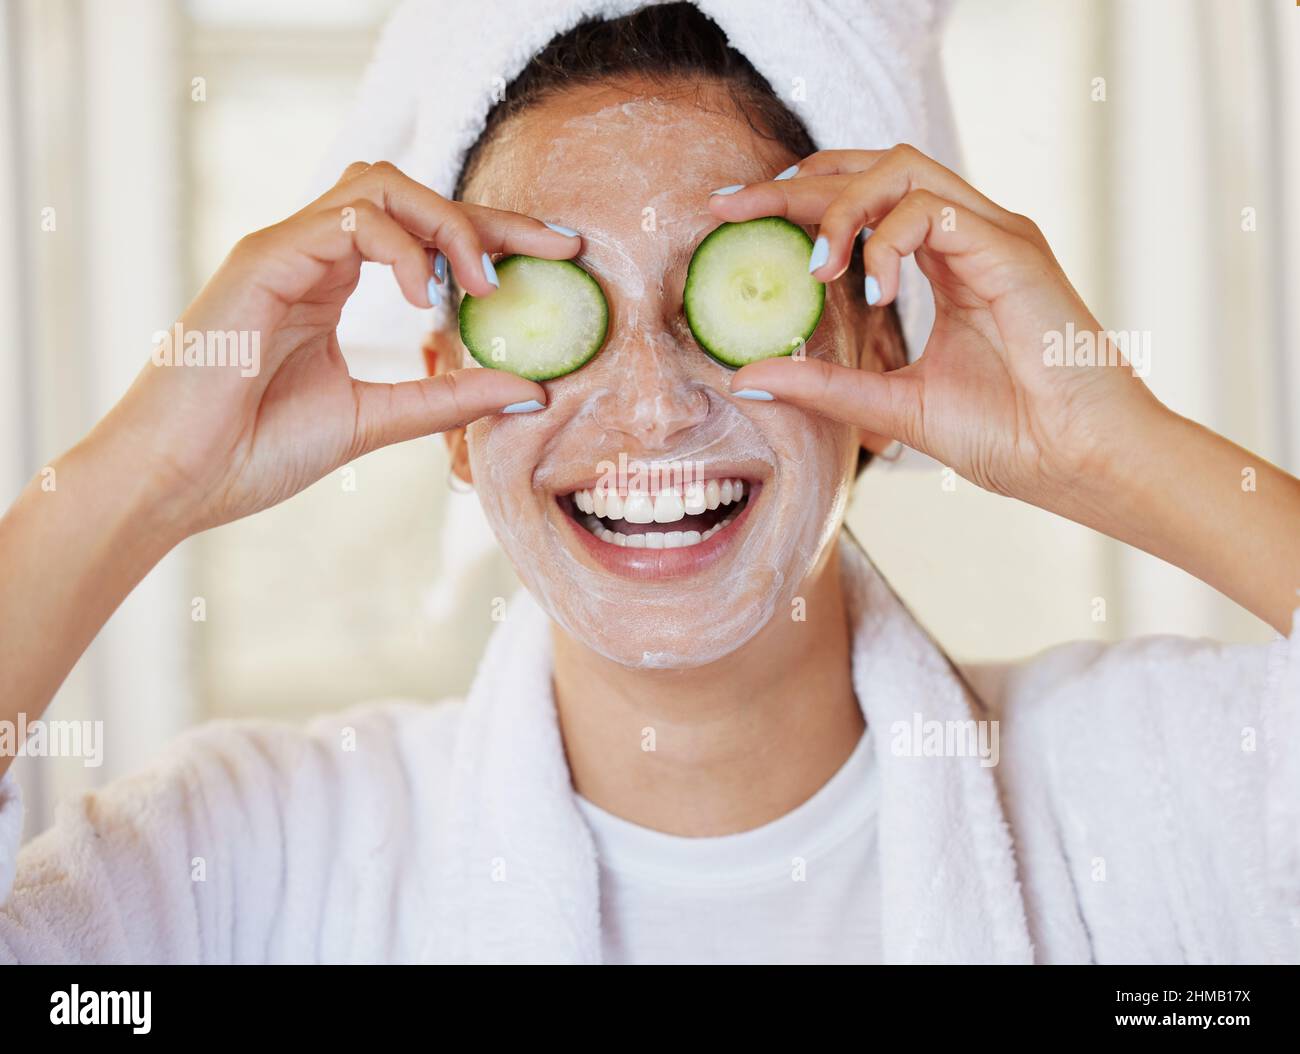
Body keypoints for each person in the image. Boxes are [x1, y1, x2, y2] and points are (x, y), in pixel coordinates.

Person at [1, 3, 1296, 964]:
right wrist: (139, 479)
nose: (655, 402)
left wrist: (1119, 446)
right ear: (451, 401)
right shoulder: (256, 857)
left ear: (876, 344)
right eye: (558, 312)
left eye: (734, 292)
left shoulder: (1154, 791)